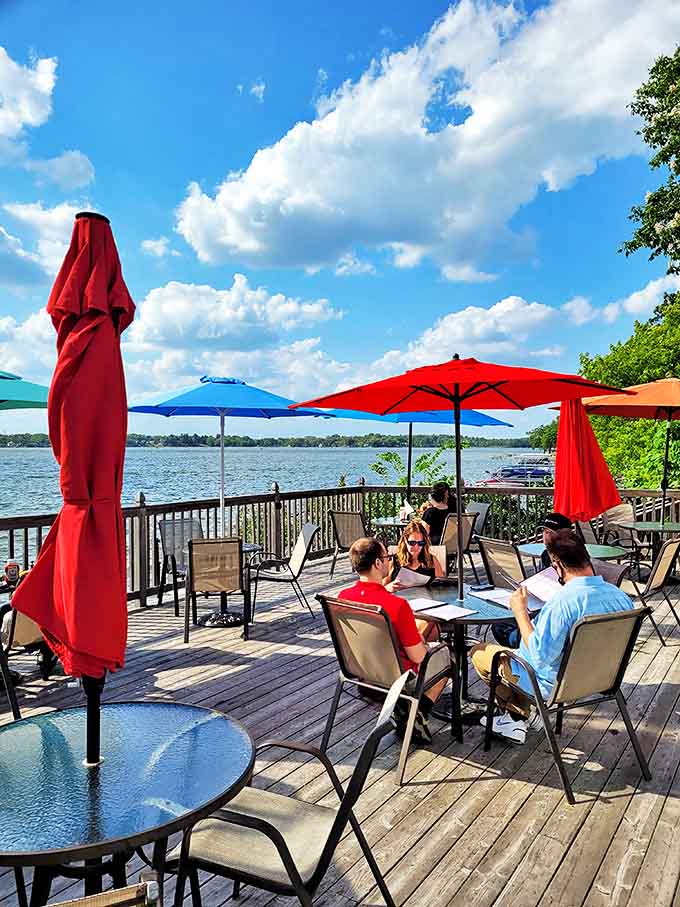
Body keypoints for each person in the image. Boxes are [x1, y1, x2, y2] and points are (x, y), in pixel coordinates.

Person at [470, 530, 634, 745]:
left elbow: (539, 657)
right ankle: (519, 716)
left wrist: (520, 612)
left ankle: (518, 714)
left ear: (557, 566)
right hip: (602, 680)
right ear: (588, 560)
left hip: (555, 686)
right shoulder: (621, 598)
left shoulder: (563, 603)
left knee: (479, 652)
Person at [339, 537, 449, 744]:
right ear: (378, 564)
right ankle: (415, 714)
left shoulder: (343, 597)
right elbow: (418, 657)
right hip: (395, 677)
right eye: (386, 557)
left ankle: (405, 710)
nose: (390, 561)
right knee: (444, 655)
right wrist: (426, 645)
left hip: (361, 672)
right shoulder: (396, 606)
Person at [490, 510, 574, 649]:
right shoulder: (546, 555)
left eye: (550, 533)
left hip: (548, 620)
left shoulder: (570, 559)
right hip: (538, 607)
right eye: (544, 532)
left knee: (503, 629)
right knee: (500, 624)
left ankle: (521, 646)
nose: (546, 537)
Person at [384, 518, 445, 590]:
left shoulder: (431, 560)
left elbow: (442, 586)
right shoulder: (394, 560)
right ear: (405, 541)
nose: (416, 547)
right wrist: (388, 587)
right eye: (412, 543)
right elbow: (382, 586)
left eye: (420, 543)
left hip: (426, 599)